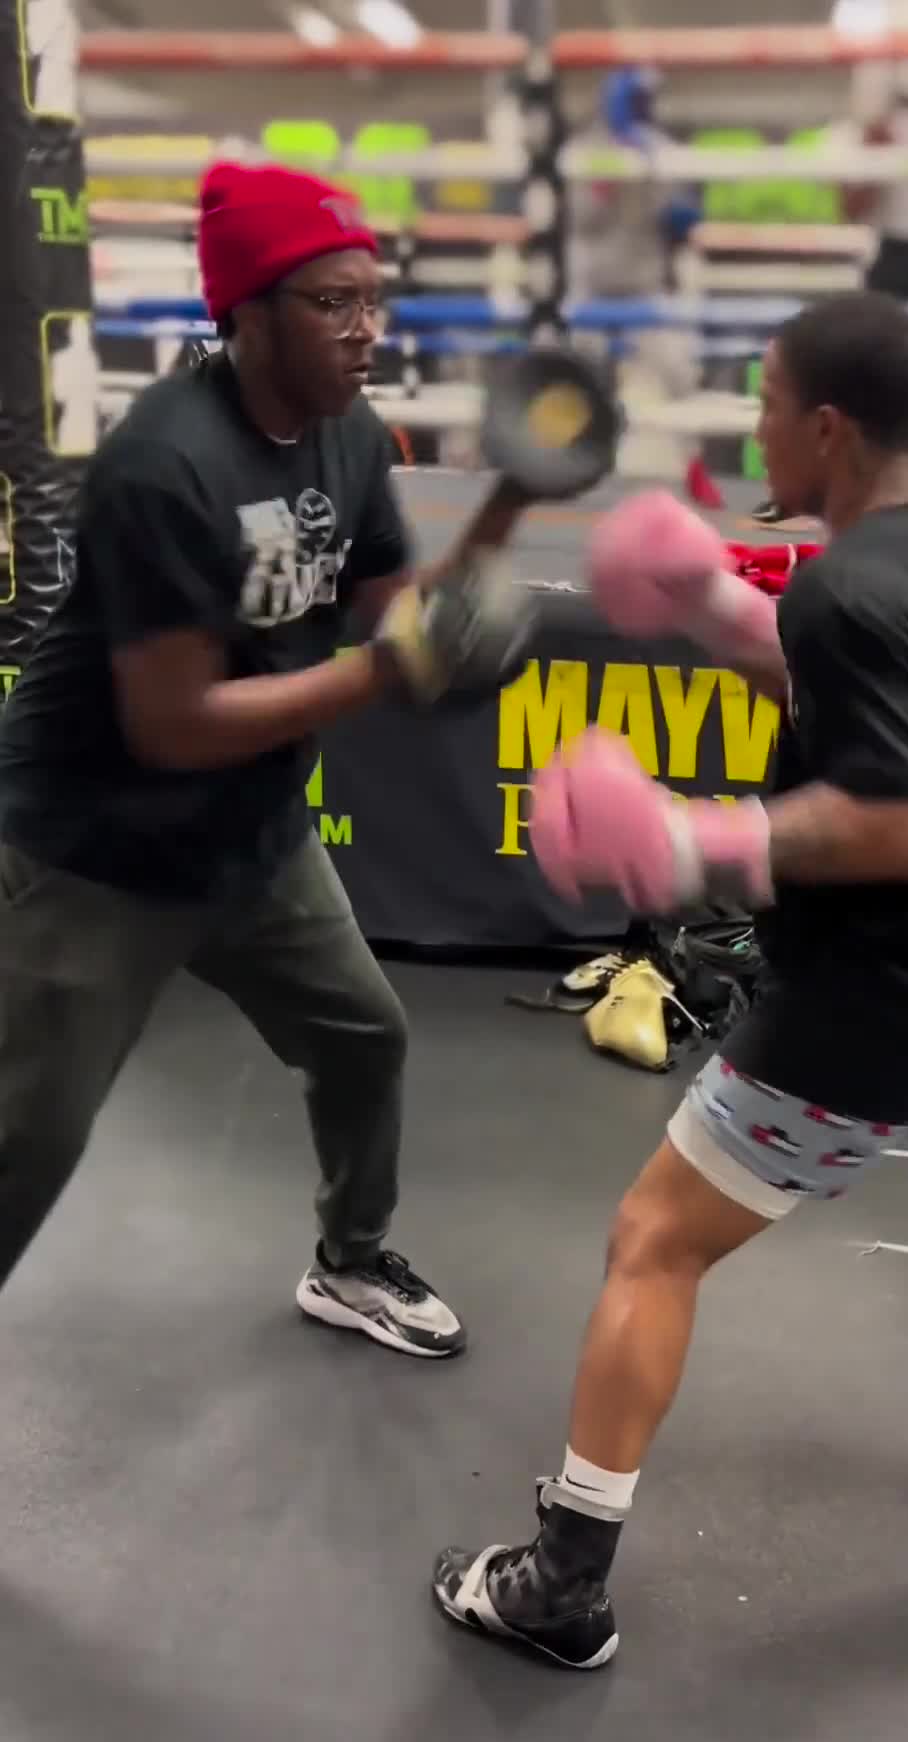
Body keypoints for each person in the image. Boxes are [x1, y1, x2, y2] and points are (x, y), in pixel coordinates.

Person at [433, 291, 908, 1668]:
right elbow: (887, 702)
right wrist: (715, 609)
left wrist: (684, 838)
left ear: (828, 427)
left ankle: (562, 1587)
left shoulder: (850, 587)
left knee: (653, 1243)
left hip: (891, 1004)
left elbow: (895, 822)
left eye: (769, 405)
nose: (755, 431)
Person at [0, 160, 533, 1359]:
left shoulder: (352, 436)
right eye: (333, 302)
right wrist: (389, 669)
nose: (365, 330)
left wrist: (507, 509)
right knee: (24, 1142)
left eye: (373, 300)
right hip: (95, 855)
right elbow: (174, 724)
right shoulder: (164, 461)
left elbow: (399, 621)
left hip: (253, 834)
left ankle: (349, 1262)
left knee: (364, 1037)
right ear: (246, 311)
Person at [753, 60, 908, 525]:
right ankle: (862, 490)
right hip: (894, 257)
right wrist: (876, 153)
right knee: (877, 386)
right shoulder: (881, 130)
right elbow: (853, 206)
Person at [565, 68, 719, 509]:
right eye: (635, 100)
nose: (641, 108)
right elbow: (581, 217)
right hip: (592, 289)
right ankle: (568, 473)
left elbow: (682, 220)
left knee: (680, 375)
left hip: (643, 288)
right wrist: (615, 174)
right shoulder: (583, 153)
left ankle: (695, 469)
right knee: (576, 382)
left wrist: (679, 209)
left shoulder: (661, 150)